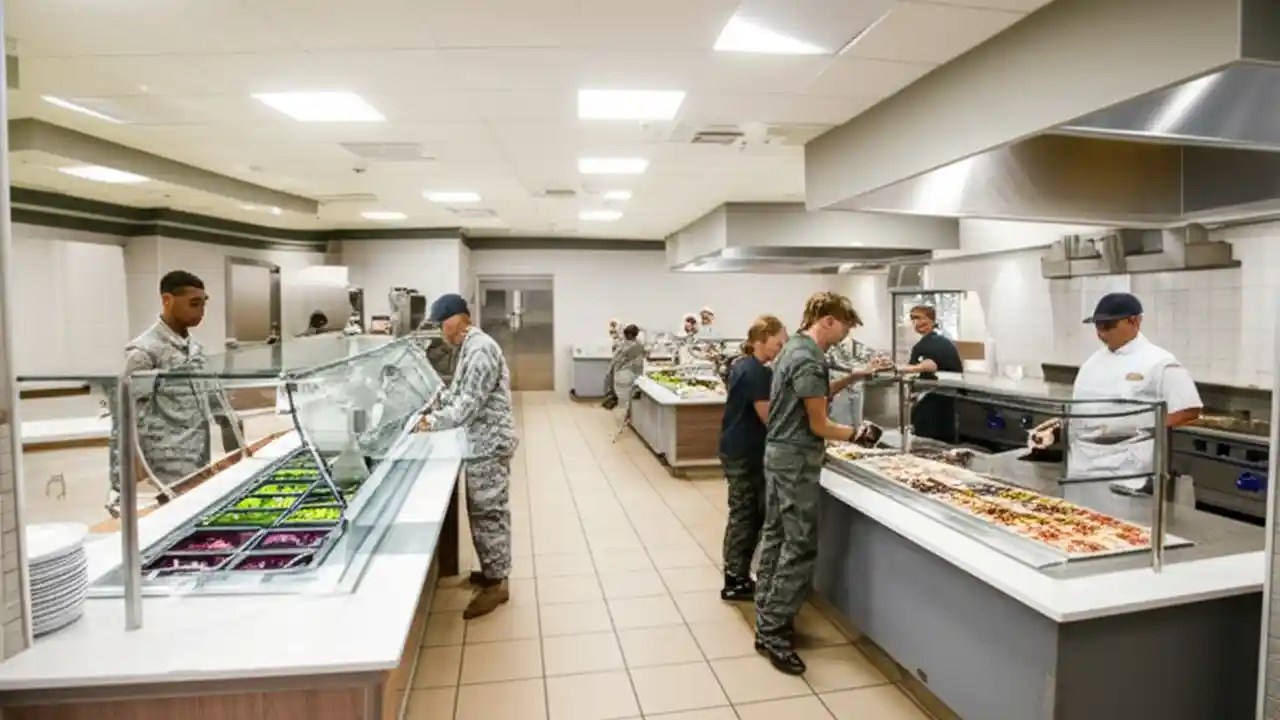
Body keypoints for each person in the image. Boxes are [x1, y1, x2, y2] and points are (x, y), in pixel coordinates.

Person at [755, 291, 882, 675]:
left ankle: (765, 615)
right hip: (796, 463)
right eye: (844, 328)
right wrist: (858, 434)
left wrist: (855, 376)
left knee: (775, 537)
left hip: (777, 456)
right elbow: (819, 424)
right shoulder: (810, 358)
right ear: (828, 320)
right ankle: (774, 631)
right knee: (799, 546)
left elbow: (813, 395)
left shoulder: (793, 348)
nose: (844, 337)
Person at [1029, 293, 1202, 497]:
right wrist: (1056, 430)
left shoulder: (1159, 361)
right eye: (1098, 326)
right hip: (1081, 469)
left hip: (1126, 472)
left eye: (1108, 325)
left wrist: (1140, 427)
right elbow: (1083, 411)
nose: (1101, 333)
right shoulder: (1092, 362)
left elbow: (1189, 409)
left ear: (1134, 321)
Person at [415, 293, 518, 618]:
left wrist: (428, 422)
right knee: (481, 511)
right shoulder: (469, 348)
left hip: (489, 444)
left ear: (454, 320)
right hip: (478, 443)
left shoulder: (481, 349)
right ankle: (490, 571)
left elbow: (467, 405)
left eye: (442, 325)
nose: (442, 333)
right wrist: (433, 406)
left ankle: (498, 585)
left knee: (489, 512)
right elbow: (457, 394)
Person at [115, 271, 237, 512]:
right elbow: (127, 413)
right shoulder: (145, 352)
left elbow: (217, 399)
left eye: (203, 304)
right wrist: (126, 473)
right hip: (168, 461)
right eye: (194, 304)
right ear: (167, 300)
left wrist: (236, 448)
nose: (201, 311)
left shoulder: (195, 349)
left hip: (199, 453)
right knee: (180, 516)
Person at [718, 315, 786, 602]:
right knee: (745, 515)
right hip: (746, 451)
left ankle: (737, 573)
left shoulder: (742, 365)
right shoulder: (758, 372)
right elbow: (767, 417)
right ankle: (735, 579)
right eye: (778, 342)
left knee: (742, 513)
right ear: (761, 340)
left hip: (736, 446)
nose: (781, 347)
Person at [898, 305, 964, 442]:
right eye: (913, 318)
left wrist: (904, 369)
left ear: (932, 320)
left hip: (934, 404)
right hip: (949, 404)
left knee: (928, 444)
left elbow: (927, 367)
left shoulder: (928, 345)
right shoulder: (944, 342)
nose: (916, 323)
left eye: (920, 318)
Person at [609, 324, 645, 416]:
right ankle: (628, 415)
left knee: (626, 397)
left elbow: (617, 358)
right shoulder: (637, 345)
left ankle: (627, 415)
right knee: (627, 397)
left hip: (628, 372)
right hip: (629, 373)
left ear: (630, 335)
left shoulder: (632, 346)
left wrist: (610, 369)